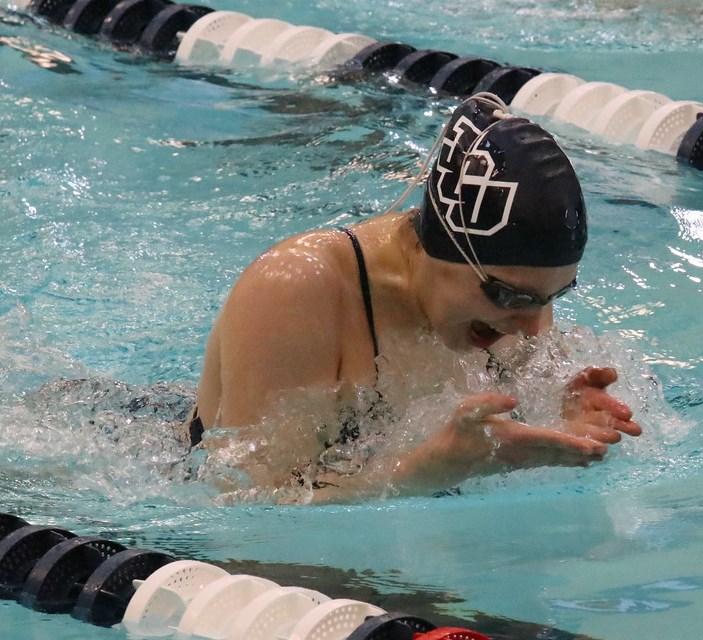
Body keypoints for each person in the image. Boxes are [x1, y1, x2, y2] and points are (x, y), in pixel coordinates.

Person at [190, 94, 642, 501]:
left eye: (554, 295)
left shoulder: (517, 302)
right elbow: (250, 505)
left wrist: (555, 409)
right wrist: (427, 469)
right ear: (440, 249)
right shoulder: (296, 289)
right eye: (508, 296)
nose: (531, 326)